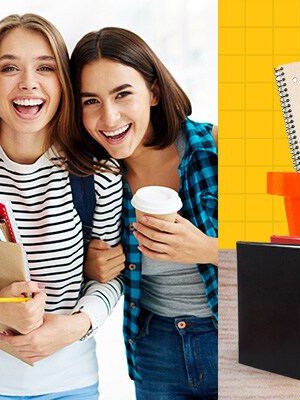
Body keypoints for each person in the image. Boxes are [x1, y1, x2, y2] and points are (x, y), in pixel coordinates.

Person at [0, 14, 123, 400]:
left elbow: (109, 274)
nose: (28, 82)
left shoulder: (97, 171)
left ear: (63, 82)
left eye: (45, 68)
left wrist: (77, 325)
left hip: (72, 381)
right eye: (9, 67)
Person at [62, 27, 219, 399]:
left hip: (233, 334)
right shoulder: (89, 177)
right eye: (90, 101)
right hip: (154, 346)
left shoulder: (213, 149)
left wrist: (208, 249)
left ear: (153, 91)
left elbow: (281, 252)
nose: (109, 116)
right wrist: (89, 266)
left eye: (122, 94)